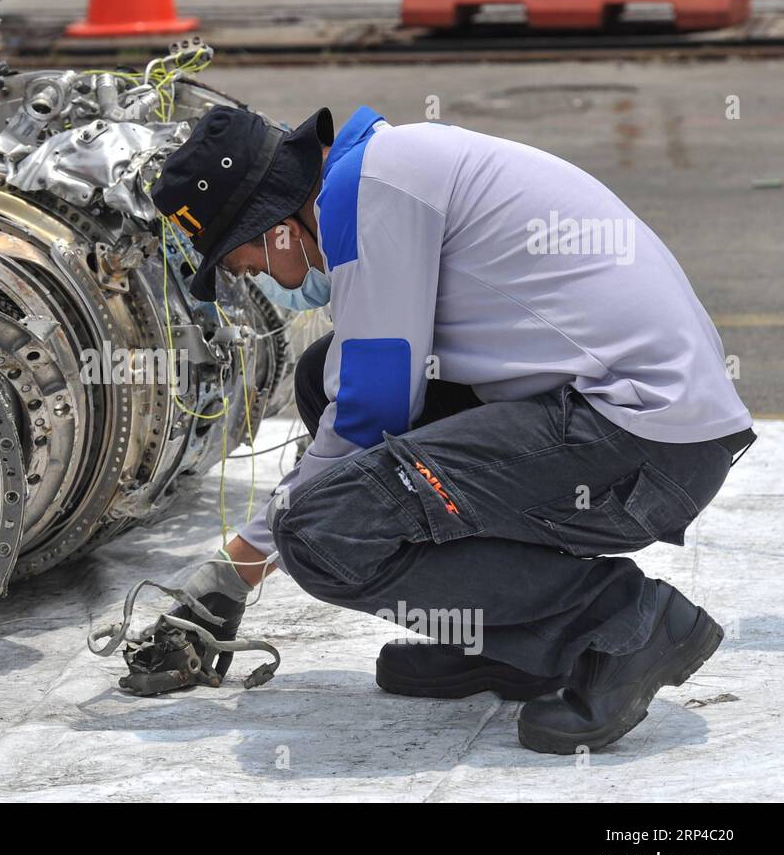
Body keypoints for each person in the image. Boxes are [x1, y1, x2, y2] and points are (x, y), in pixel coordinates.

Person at [148, 104, 755, 753]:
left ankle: (624, 622)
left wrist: (238, 565)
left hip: (642, 437)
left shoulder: (370, 191)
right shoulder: (374, 172)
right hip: (638, 423)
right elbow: (363, 386)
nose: (246, 275)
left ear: (271, 223)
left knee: (319, 530)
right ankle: (519, 643)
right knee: (322, 378)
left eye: (236, 258)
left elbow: (374, 409)